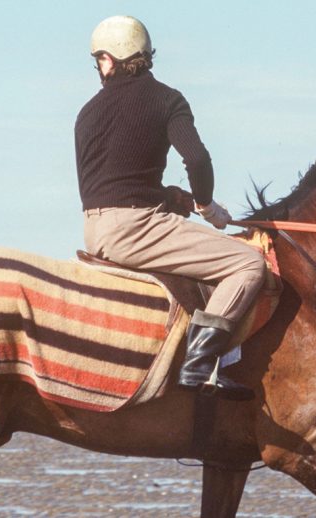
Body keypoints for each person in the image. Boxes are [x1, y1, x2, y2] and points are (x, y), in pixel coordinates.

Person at [75, 15, 266, 401]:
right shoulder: (167, 100)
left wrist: (171, 198)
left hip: (95, 228)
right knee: (248, 264)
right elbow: (197, 159)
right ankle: (199, 365)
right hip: (135, 229)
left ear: (109, 59)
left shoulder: (87, 112)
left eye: (98, 60)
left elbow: (112, 183)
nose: (99, 68)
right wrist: (206, 205)